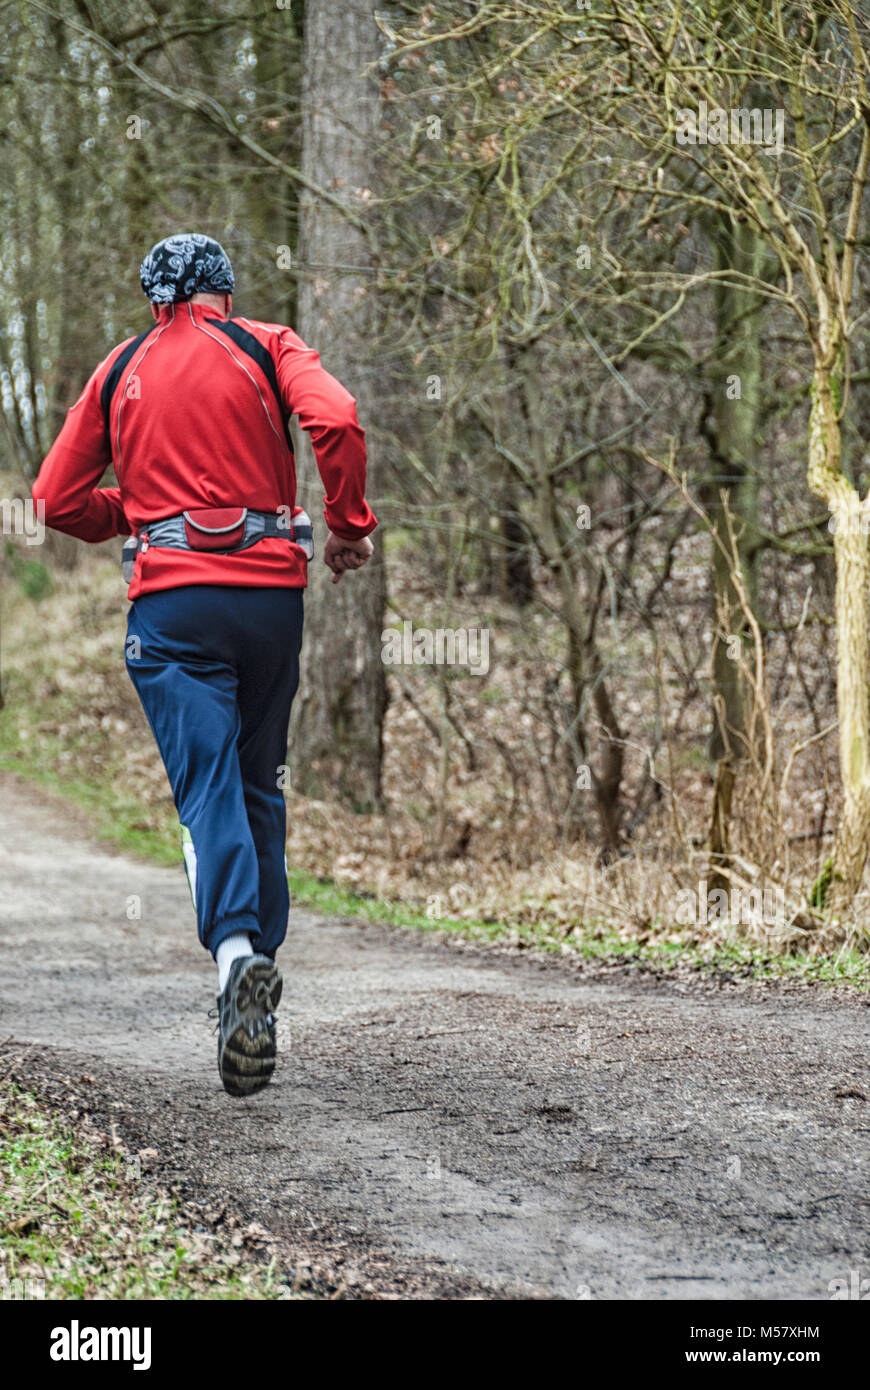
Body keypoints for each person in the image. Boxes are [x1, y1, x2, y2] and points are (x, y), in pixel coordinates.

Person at [32, 232, 377, 1097]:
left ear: (155, 301)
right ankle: (260, 953)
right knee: (260, 780)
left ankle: (232, 961)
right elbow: (334, 418)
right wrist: (349, 523)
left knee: (207, 785)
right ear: (224, 292)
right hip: (270, 601)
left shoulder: (121, 369)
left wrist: (138, 511)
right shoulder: (270, 345)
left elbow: (55, 501)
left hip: (172, 604)